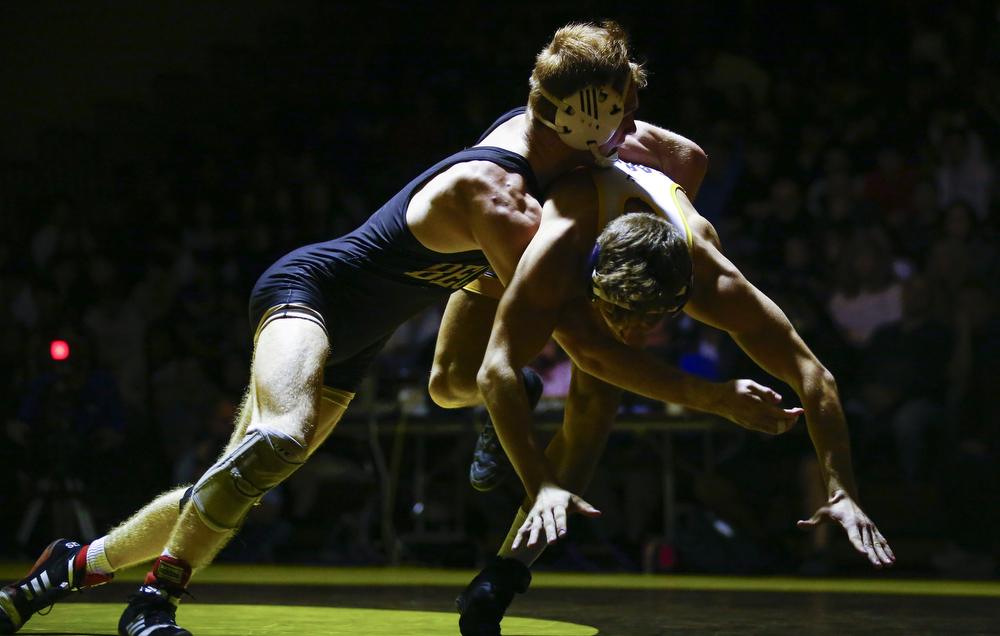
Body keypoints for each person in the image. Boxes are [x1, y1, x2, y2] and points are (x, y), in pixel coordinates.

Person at [0, 20, 764, 636]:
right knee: (280, 440)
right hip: (314, 295)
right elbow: (584, 343)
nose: (631, 127)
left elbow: (678, 151)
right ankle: (154, 604)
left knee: (240, 474)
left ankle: (71, 565)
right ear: (583, 117)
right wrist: (715, 396)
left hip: (362, 337)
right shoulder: (498, 196)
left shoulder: (558, 136)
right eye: (620, 115)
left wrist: (652, 171)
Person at [442, 159, 895, 634]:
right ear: (595, 286)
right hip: (543, 234)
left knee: (597, 406)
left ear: (683, 299)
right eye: (621, 315)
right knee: (447, 386)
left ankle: (501, 577)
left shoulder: (714, 280)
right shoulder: (554, 251)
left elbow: (814, 376)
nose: (632, 333)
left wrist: (842, 487)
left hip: (619, 238)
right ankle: (510, 415)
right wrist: (716, 398)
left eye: (651, 321)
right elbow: (545, 362)